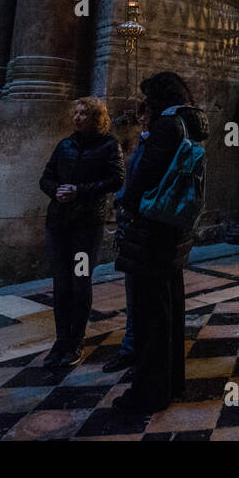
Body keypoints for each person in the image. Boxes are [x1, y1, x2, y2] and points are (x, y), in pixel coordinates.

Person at [112, 71, 208, 413]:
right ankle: (170, 383)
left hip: (151, 228)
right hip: (171, 227)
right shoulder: (188, 121)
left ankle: (148, 393)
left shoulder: (167, 126)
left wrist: (124, 201)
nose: (146, 103)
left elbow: (145, 175)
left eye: (149, 96)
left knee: (150, 313)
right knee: (168, 307)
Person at [39, 97, 124, 366]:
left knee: (79, 280)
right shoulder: (64, 145)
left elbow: (116, 179)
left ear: (97, 118)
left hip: (86, 226)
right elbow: (46, 177)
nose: (77, 118)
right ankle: (60, 340)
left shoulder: (109, 145)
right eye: (75, 113)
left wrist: (79, 191)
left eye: (83, 114)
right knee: (61, 283)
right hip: (58, 224)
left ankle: (76, 340)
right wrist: (56, 190)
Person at [104, 97, 151, 375]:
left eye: (146, 115)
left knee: (144, 295)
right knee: (133, 294)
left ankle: (140, 351)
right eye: (141, 115)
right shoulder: (143, 145)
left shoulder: (159, 146)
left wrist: (127, 204)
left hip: (145, 228)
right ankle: (130, 348)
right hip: (132, 226)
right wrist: (122, 203)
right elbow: (129, 181)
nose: (142, 120)